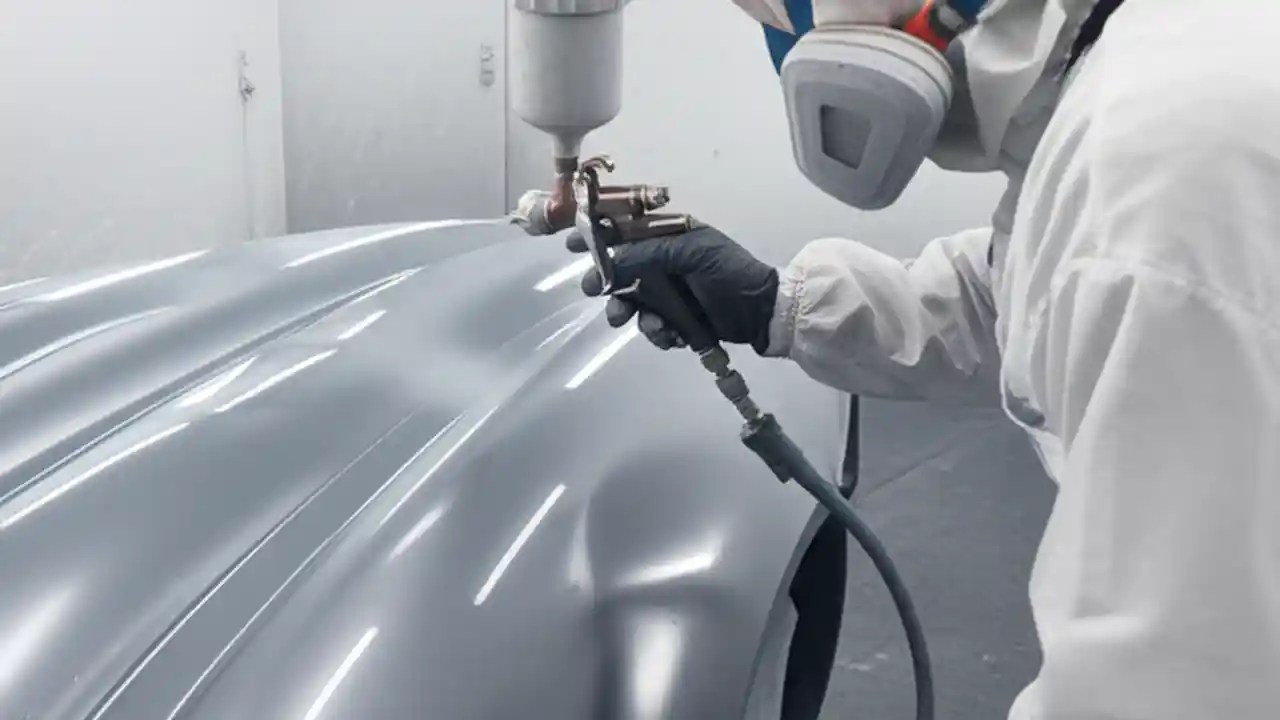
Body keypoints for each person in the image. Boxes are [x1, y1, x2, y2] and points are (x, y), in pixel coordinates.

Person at [571, 0, 1280, 718]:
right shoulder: (1146, 76)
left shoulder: (1157, 177)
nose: (784, 49)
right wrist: (778, 305)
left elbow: (1167, 691)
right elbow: (1026, 289)